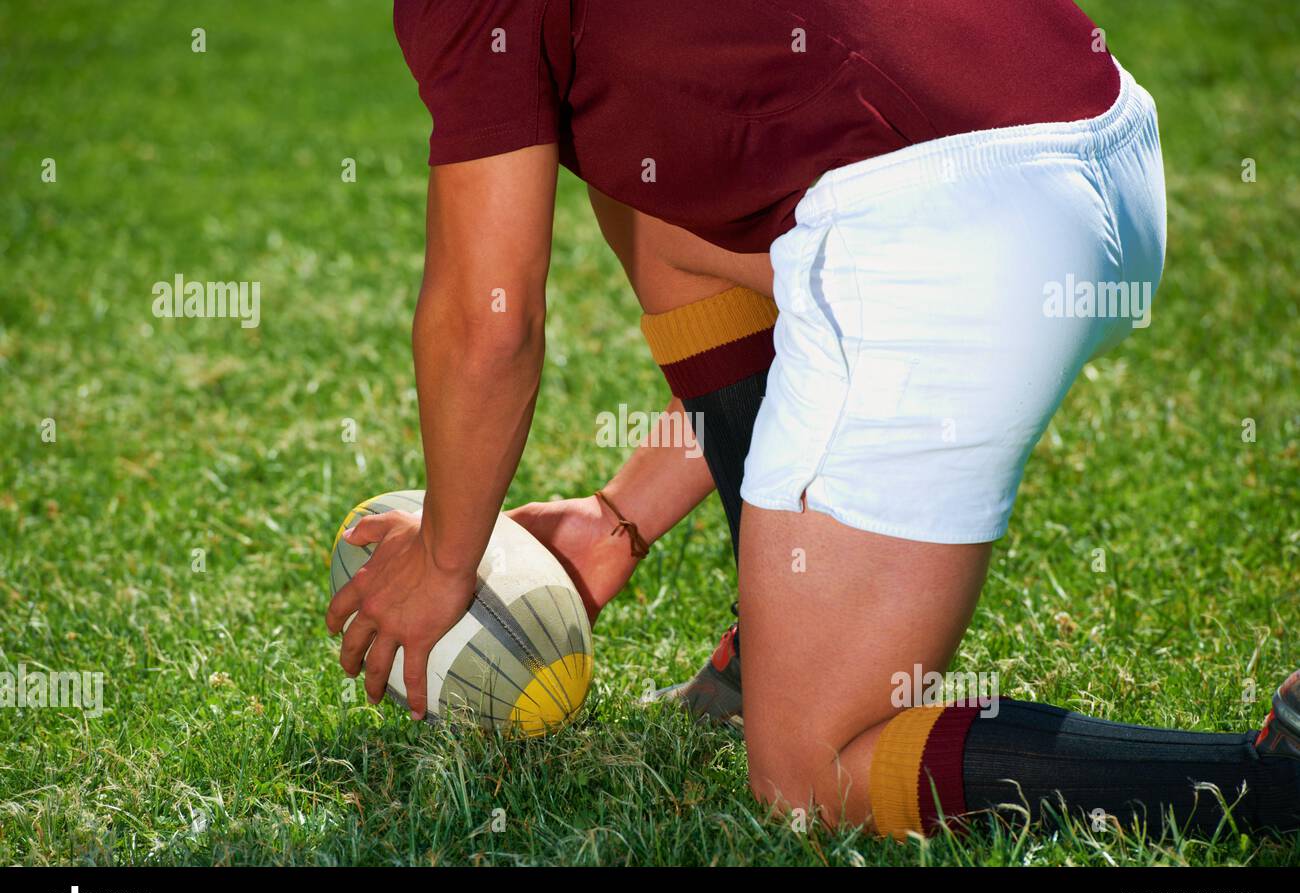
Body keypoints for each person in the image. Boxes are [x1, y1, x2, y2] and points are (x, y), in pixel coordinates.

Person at [326, 0, 1300, 838]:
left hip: (958, 235)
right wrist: (618, 518)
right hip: (1105, 142)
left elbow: (489, 324)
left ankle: (1269, 774)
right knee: (656, 196)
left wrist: (446, 559)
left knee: (808, 774)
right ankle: (771, 648)